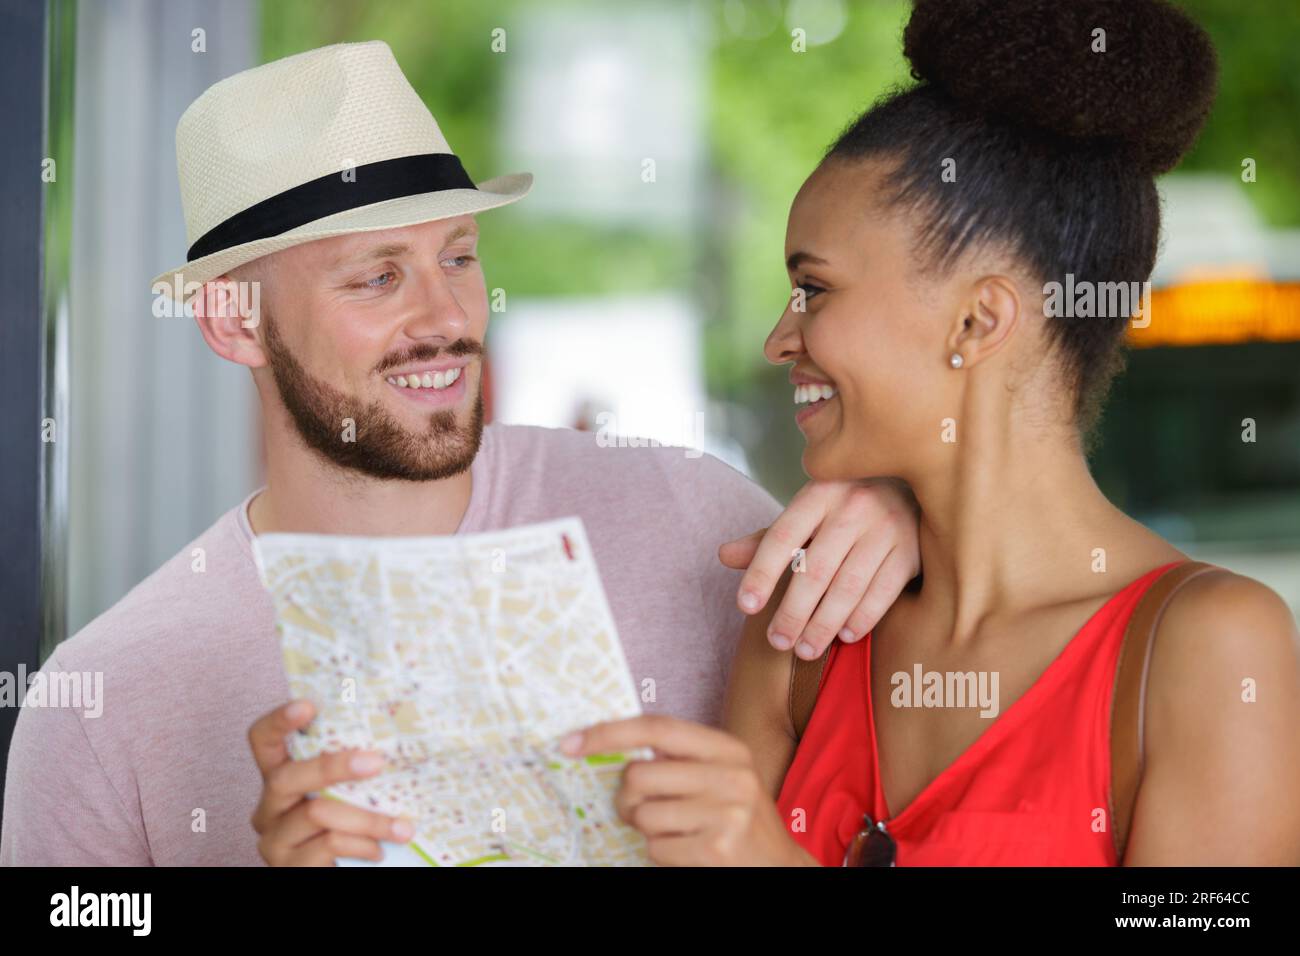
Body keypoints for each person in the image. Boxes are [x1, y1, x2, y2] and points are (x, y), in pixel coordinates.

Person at [0, 41, 923, 867]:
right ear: (233, 322)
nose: (447, 319)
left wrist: (919, 524)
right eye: (377, 277)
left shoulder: (696, 518)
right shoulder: (102, 706)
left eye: (458, 257)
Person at [566, 0, 1300, 866]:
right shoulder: (805, 630)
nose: (779, 338)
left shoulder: (1210, 643)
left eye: (815, 290)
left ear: (977, 323)